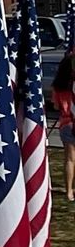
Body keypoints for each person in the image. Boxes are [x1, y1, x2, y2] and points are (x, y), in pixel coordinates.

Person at [51, 47, 75, 201]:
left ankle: (69, 191)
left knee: (69, 159)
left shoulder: (57, 86)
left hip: (66, 123)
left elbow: (54, 106)